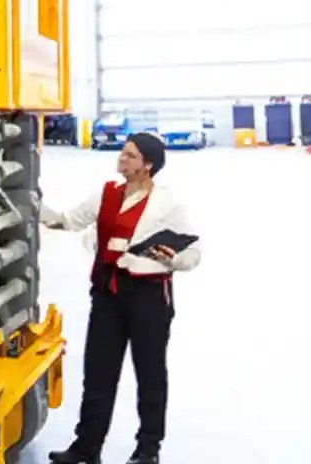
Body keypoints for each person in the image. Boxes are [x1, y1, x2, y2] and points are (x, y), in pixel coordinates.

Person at [39, 132, 202, 464]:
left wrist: (171, 258)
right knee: (98, 373)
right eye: (123, 154)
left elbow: (193, 252)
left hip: (148, 298)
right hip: (107, 294)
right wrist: (33, 205)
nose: (121, 159)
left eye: (130, 156)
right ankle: (86, 448)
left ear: (148, 165)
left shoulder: (167, 204)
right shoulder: (107, 193)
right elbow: (68, 221)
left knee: (150, 375)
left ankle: (147, 450)